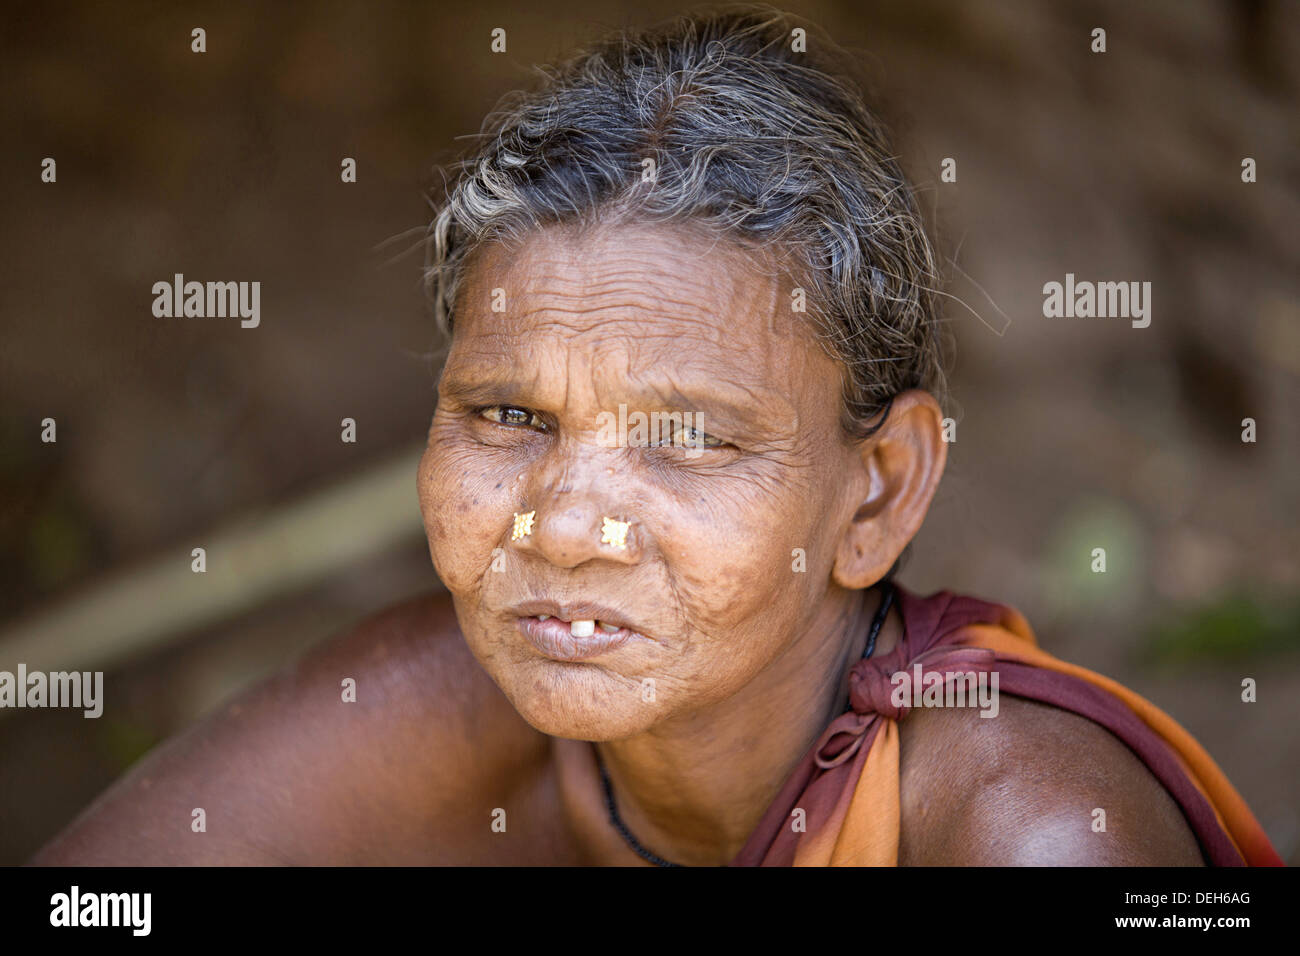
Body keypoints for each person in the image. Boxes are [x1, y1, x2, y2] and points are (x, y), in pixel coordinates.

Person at [31, 7, 1281, 867]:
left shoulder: (1033, 832)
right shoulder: (443, 707)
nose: (565, 524)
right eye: (509, 416)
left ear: (878, 493)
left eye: (687, 436)